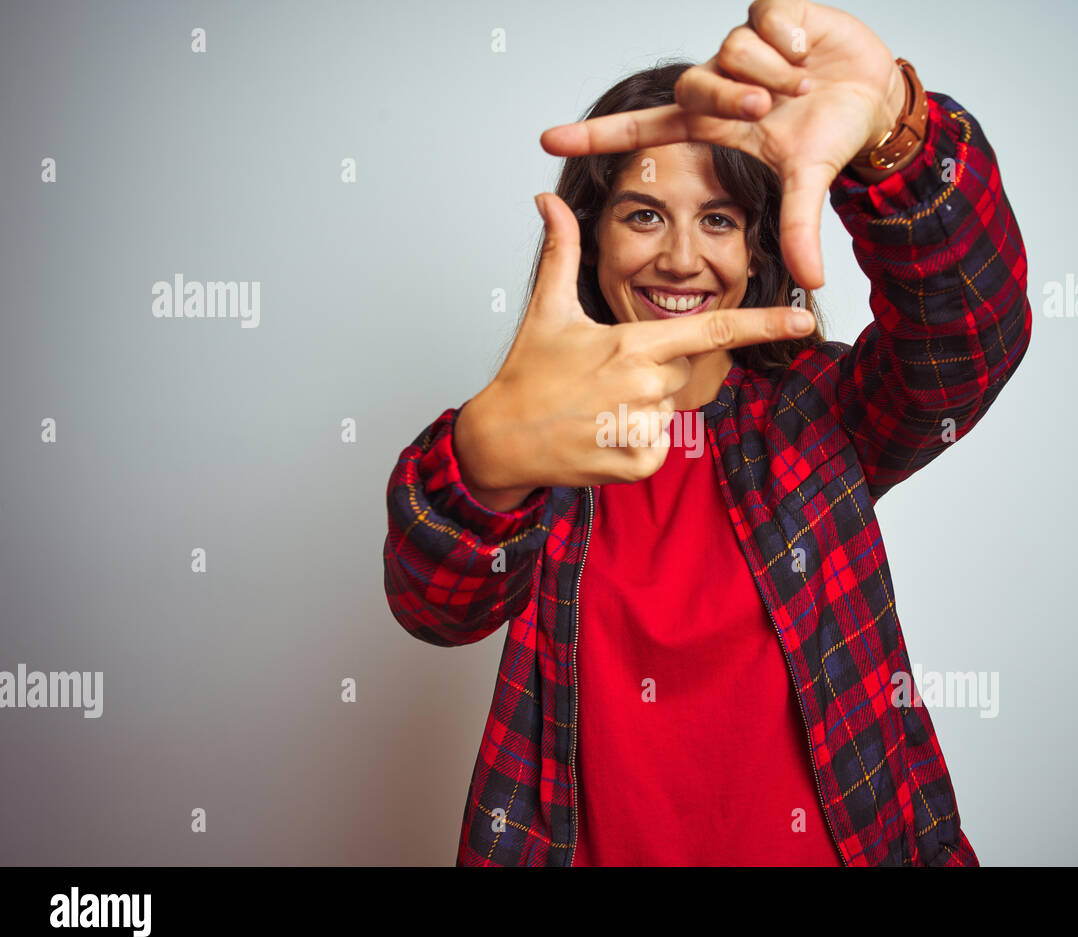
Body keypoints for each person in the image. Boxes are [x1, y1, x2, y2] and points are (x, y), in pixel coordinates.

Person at [383, 0, 1031, 866]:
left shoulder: (818, 412)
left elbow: (971, 338)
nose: (682, 258)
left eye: (718, 218)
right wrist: (480, 460)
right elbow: (436, 606)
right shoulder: (540, 438)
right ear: (591, 239)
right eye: (644, 213)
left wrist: (896, 133)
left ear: (758, 248)